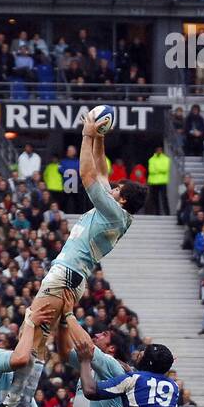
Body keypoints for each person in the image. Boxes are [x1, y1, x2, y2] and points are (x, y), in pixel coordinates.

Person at [23, 111, 146, 364]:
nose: (110, 188)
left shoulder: (114, 213)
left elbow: (88, 176)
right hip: (73, 275)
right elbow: (101, 171)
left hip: (67, 271)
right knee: (40, 335)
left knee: (32, 327)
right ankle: (22, 399)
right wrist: (99, 139)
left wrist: (86, 136)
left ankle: (14, 401)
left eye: (116, 189)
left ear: (122, 199)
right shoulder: (114, 211)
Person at [146, 146, 170, 215]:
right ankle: (157, 213)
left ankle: (167, 213)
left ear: (162, 150)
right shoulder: (151, 159)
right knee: (155, 199)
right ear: (156, 150)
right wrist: (159, 169)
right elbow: (151, 170)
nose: (159, 151)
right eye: (158, 150)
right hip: (153, 181)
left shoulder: (166, 159)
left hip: (162, 181)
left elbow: (165, 169)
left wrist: (156, 168)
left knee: (164, 198)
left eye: (160, 150)